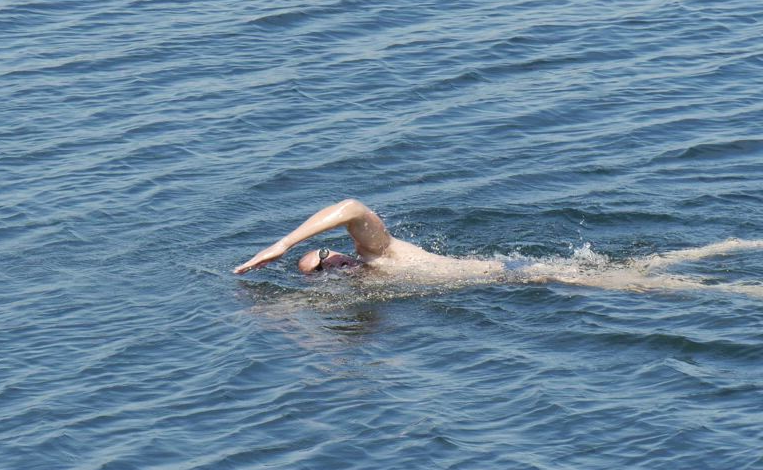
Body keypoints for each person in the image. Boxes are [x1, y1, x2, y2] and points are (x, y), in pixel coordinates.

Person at [232, 198, 763, 293]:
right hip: (512, 274)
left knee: (647, 287)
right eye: (320, 268)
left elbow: (350, 207)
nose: (331, 260)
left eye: (325, 252)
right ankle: (736, 244)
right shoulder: (369, 286)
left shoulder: (380, 255)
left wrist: (279, 247)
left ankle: (745, 292)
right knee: (641, 269)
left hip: (515, 273)